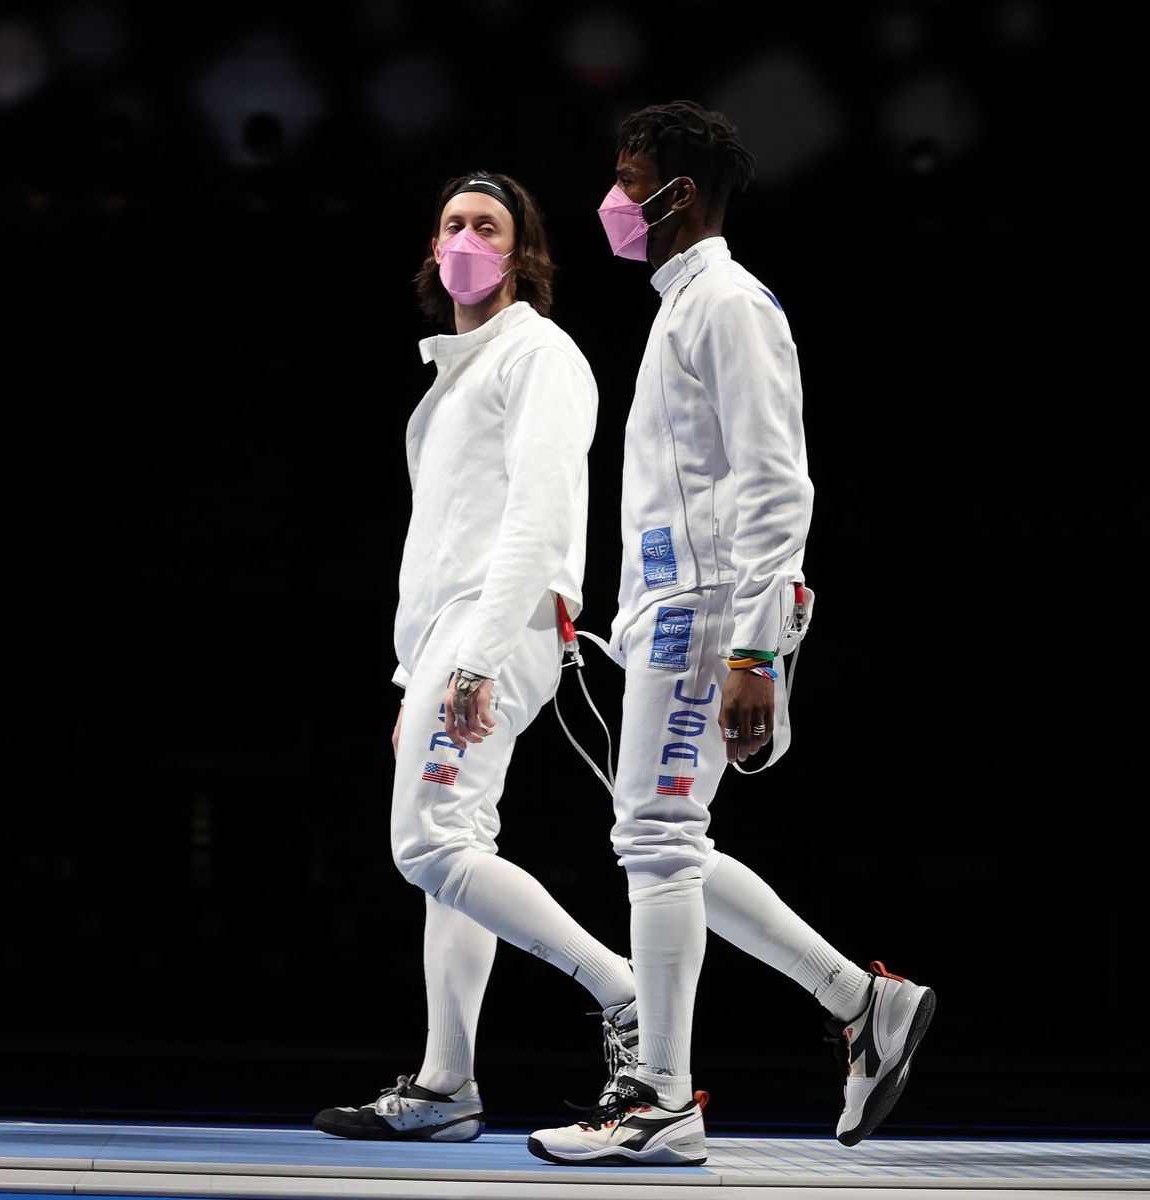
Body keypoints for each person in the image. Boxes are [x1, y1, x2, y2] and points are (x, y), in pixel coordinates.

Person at [529, 103, 935, 1167]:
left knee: (656, 844)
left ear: (683, 193)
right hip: (677, 611)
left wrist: (755, 649)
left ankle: (661, 1099)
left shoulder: (730, 306)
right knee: (671, 844)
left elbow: (776, 484)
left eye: (631, 179)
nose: (616, 201)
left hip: (713, 617)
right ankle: (861, 1003)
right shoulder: (682, 308)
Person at [313, 171, 637, 1144]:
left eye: (485, 224)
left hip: (501, 623)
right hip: (449, 636)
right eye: (451, 222)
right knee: (452, 853)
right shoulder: (450, 384)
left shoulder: (539, 353)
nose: (465, 236)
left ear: (521, 251)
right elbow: (440, 545)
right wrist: (418, 675)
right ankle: (446, 1084)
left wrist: (477, 659)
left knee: (429, 842)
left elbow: (534, 519)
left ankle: (628, 998)